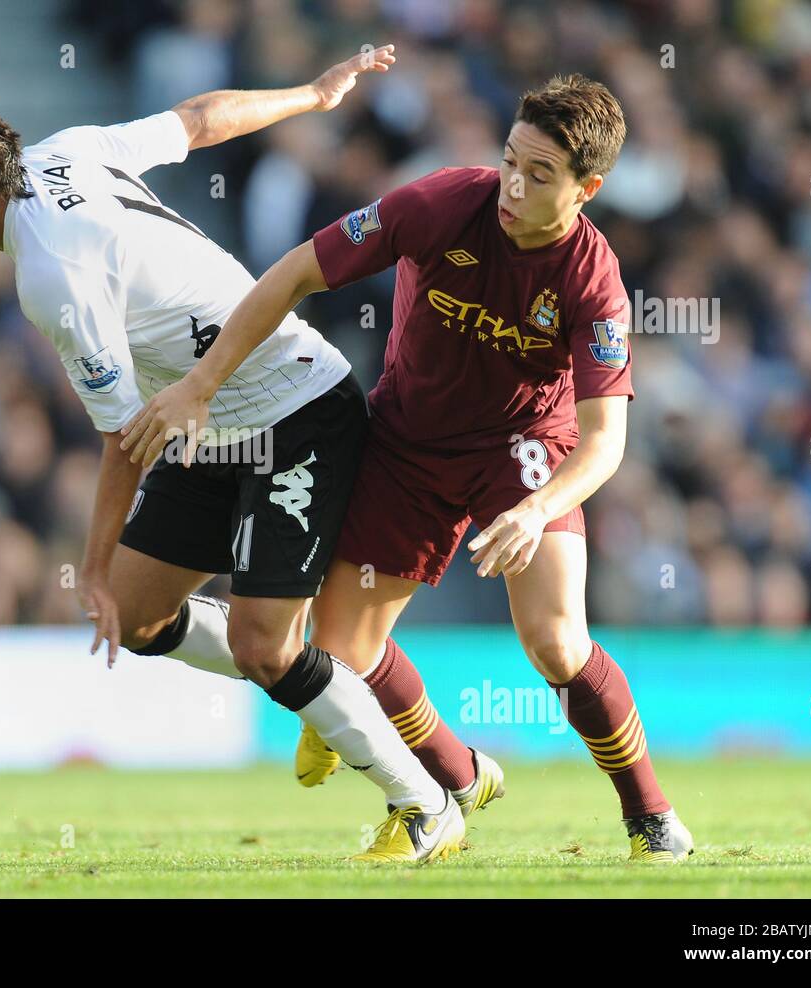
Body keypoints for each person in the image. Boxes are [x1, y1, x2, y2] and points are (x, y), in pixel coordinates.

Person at [0, 44, 472, 862]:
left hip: (295, 404)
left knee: (263, 646)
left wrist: (89, 566)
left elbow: (124, 440)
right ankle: (326, 691)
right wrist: (308, 94)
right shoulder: (66, 151)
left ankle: (425, 805)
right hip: (203, 417)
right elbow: (198, 122)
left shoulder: (53, 275)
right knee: (139, 618)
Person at [123, 74, 694, 863]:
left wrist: (533, 511)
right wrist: (201, 384)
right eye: (510, 161)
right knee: (343, 653)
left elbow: (605, 440)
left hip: (524, 452)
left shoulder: (592, 282)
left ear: (588, 189)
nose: (513, 186)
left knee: (557, 643)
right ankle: (459, 776)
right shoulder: (439, 204)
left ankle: (651, 816)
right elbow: (291, 275)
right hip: (407, 442)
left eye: (540, 175)